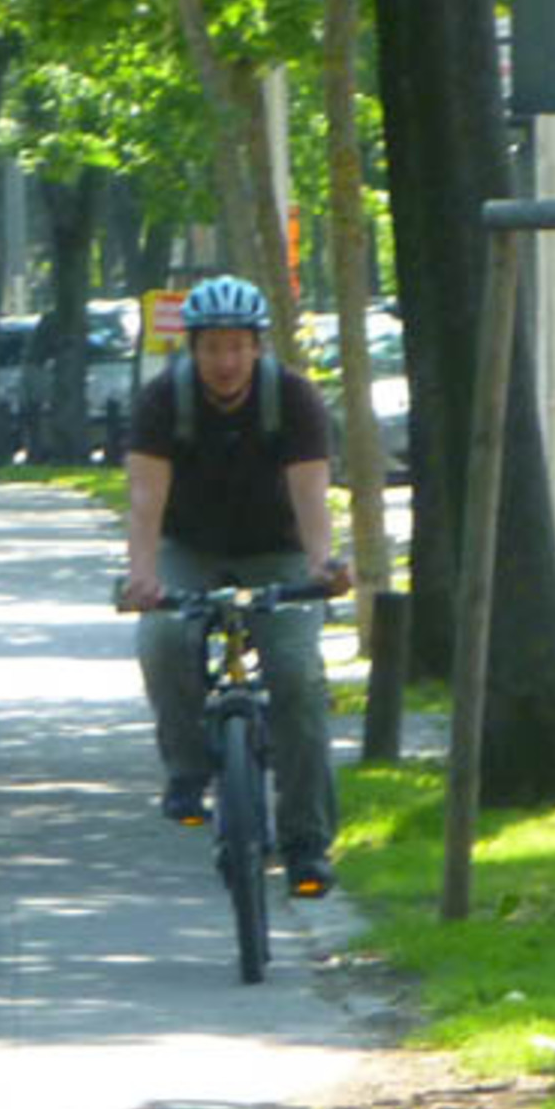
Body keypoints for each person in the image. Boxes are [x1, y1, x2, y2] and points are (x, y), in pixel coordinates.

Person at [120, 275, 350, 898]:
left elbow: (311, 494)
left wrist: (322, 566)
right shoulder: (163, 402)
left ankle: (306, 843)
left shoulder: (295, 399)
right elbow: (145, 499)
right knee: (163, 638)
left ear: (257, 347)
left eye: (237, 347)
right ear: (192, 349)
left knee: (299, 677)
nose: (225, 361)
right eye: (212, 347)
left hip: (278, 552)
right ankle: (188, 772)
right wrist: (142, 575)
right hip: (189, 548)